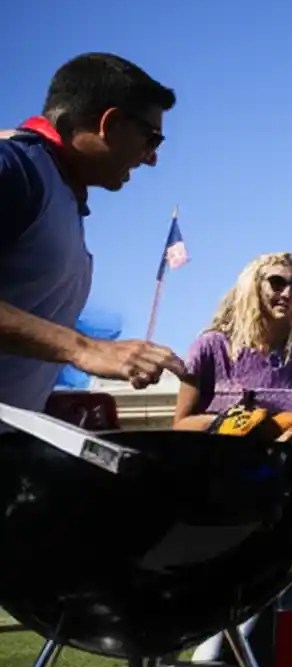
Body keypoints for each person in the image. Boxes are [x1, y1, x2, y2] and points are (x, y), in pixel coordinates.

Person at [0, 52, 184, 413]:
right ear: (109, 123)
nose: (152, 158)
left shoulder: (59, 193)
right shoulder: (17, 169)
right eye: (152, 139)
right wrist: (84, 348)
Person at [173, 252, 292, 431]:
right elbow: (181, 424)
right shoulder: (211, 347)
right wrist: (226, 424)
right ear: (253, 288)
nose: (286, 294)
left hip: (287, 458)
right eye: (277, 283)